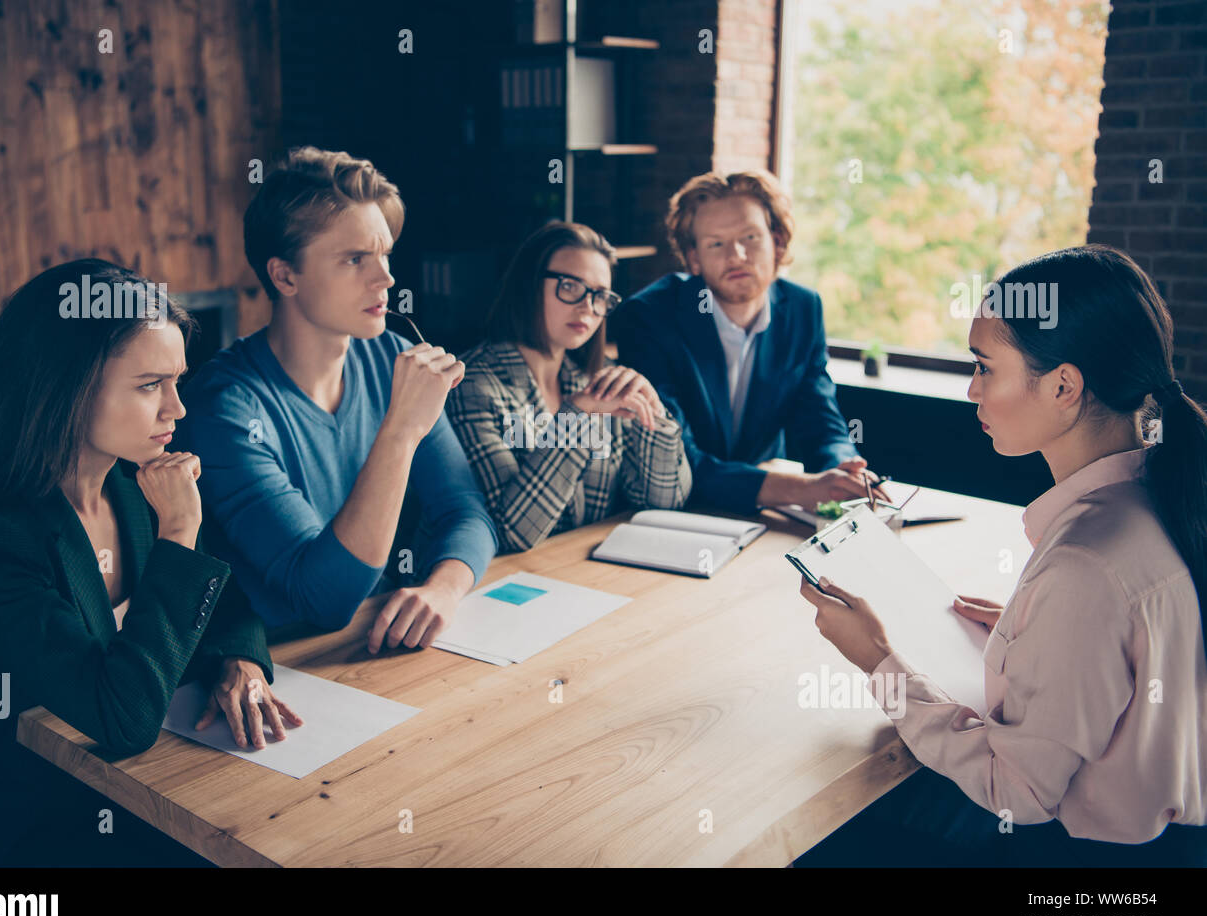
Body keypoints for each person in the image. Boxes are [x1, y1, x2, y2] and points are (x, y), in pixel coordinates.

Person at [796, 245, 1207, 866]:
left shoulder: (1086, 565)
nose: (971, 389)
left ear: (1064, 385)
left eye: (985, 367)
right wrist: (1028, 635)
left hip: (1090, 870)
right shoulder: (1166, 496)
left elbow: (1019, 793)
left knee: (821, 832)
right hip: (1169, 846)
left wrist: (877, 659)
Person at [0, 259, 297, 867]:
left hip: (126, 796)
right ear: (65, 386)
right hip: (22, 838)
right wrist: (180, 531)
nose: (178, 409)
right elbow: (124, 718)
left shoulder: (128, 485)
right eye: (149, 386)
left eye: (176, 381)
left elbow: (225, 605)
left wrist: (240, 662)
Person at [175, 147, 497, 655]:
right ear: (285, 277)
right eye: (355, 259)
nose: (386, 279)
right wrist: (399, 433)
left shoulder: (392, 356)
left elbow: (466, 510)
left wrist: (444, 588)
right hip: (278, 666)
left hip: (373, 644)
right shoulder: (224, 408)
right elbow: (324, 598)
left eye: (385, 254)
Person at [615, 170, 889, 514]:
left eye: (750, 237)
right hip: (672, 512)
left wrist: (845, 471)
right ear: (694, 258)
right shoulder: (649, 317)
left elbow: (819, 416)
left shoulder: (803, 308)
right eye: (716, 243)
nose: (737, 256)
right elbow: (674, 458)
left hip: (759, 514)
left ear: (776, 241)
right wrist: (801, 489)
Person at [447, 222, 691, 552]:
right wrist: (575, 416)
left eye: (600, 296)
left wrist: (654, 415)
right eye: (570, 286)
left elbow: (664, 503)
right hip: (505, 585)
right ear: (528, 285)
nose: (587, 308)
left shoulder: (600, 378)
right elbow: (510, 533)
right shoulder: (473, 386)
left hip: (582, 573)